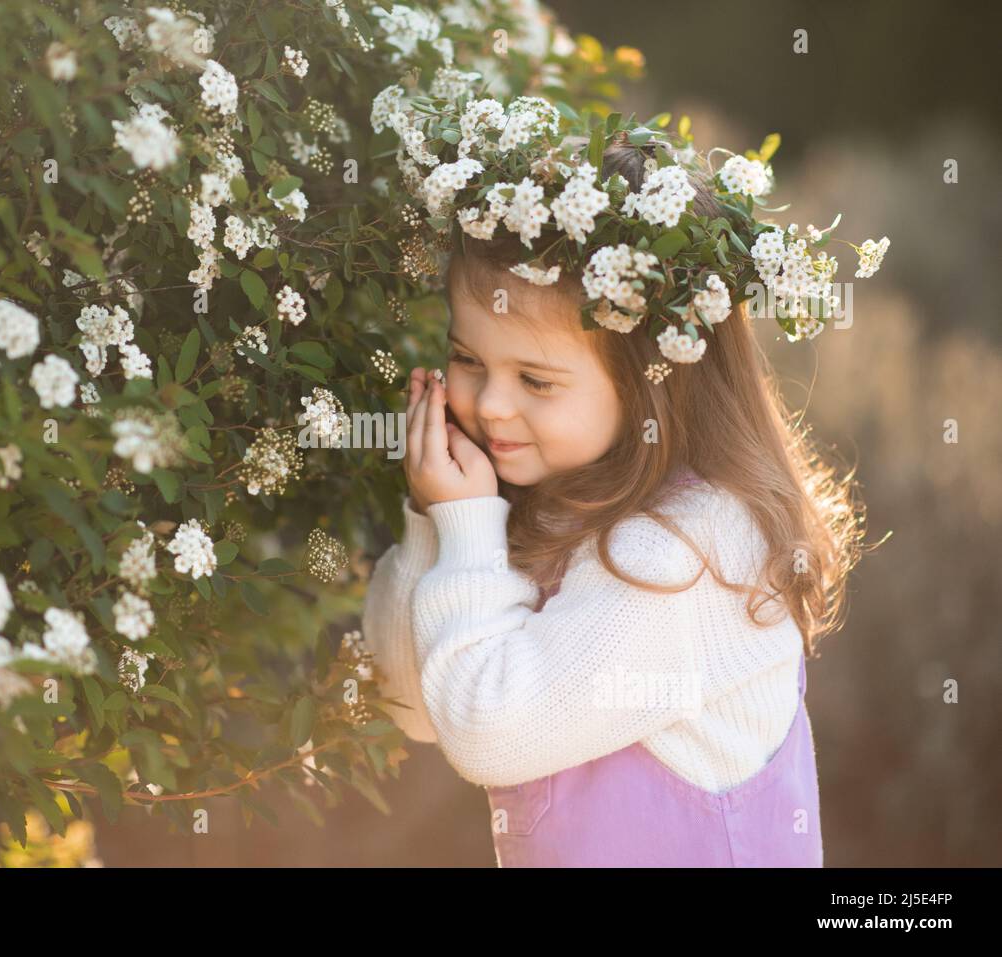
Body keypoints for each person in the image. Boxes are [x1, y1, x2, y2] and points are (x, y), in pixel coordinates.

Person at [361, 140, 873, 867]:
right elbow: (413, 707)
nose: (491, 403)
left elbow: (486, 730)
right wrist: (435, 521)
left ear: (651, 385)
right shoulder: (562, 493)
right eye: (469, 359)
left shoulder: (690, 552)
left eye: (536, 380)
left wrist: (467, 527)